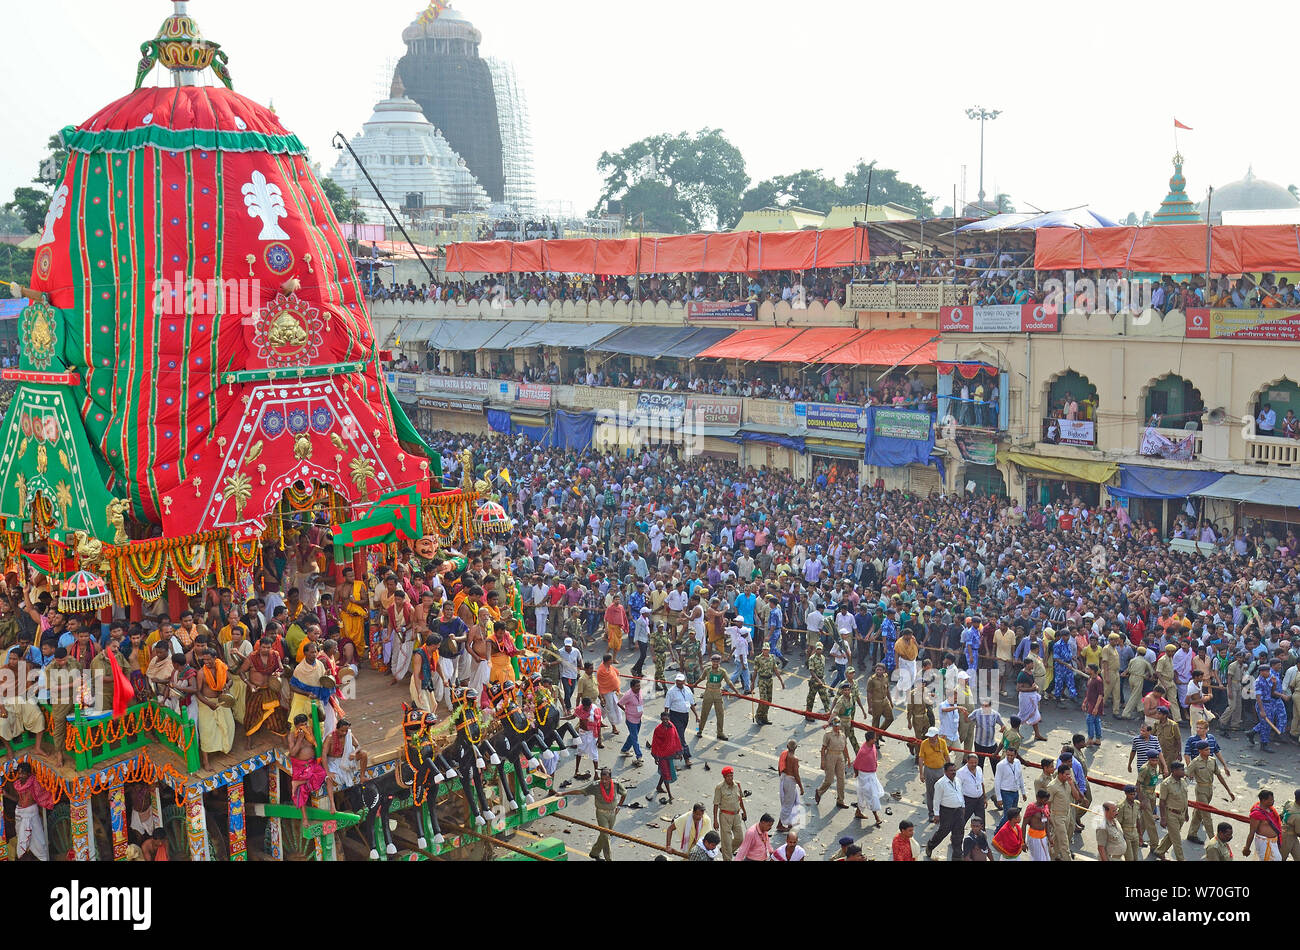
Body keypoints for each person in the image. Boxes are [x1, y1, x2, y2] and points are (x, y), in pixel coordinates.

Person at [1185, 739, 1234, 844]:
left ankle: (1191, 834)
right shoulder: (1195, 762)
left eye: (1209, 749)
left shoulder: (1212, 760)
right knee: (1207, 816)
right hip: (1201, 790)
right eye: (1206, 749)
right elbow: (1186, 774)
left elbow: (1219, 775)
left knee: (1198, 813)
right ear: (1200, 751)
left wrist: (1229, 791)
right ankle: (1215, 841)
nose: (1209, 751)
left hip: (1209, 790)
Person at [287, 713, 331, 825]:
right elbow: (292, 753)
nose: (304, 726)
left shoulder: (310, 731)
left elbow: (317, 744)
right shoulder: (293, 736)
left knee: (322, 773)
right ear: (297, 726)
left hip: (312, 764)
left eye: (306, 724)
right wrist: (300, 740)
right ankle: (305, 818)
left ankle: (301, 782)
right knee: (300, 791)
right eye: (302, 725)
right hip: (300, 766)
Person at [574, 767, 626, 861]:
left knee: (604, 835)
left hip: (613, 813)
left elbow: (624, 794)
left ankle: (594, 852)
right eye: (602, 779)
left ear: (610, 778)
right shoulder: (595, 786)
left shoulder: (616, 784)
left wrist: (619, 806)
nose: (604, 781)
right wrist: (563, 794)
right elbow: (581, 791)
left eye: (606, 779)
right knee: (606, 836)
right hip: (601, 813)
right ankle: (609, 859)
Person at [925, 761, 966, 861]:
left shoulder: (958, 780)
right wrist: (936, 814)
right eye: (951, 771)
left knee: (959, 833)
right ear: (945, 772)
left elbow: (960, 794)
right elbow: (936, 800)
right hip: (946, 812)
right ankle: (930, 845)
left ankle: (957, 856)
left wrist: (963, 807)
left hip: (959, 811)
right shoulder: (940, 783)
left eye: (954, 770)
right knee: (943, 831)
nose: (953, 772)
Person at [12, 761, 53, 860]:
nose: (20, 775)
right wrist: (6, 794)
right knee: (21, 839)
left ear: (29, 774)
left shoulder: (34, 783)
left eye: (23, 773)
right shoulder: (17, 784)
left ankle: (43, 858)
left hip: (30, 814)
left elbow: (41, 794)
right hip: (19, 813)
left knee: (39, 841)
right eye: (19, 773)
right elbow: (17, 799)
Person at [1153, 761, 1190, 861]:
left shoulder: (1183, 781)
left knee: (1173, 835)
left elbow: (1185, 799)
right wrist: (1163, 818)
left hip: (1181, 814)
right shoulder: (1166, 784)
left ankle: (1160, 851)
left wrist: (1186, 813)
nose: (1184, 772)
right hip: (1171, 815)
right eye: (1181, 770)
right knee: (1177, 841)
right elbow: (1162, 802)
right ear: (1174, 771)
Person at [695, 653, 735, 741]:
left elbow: (729, 682)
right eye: (714, 662)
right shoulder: (707, 670)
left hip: (717, 693)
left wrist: (736, 692)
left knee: (720, 714)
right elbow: (701, 678)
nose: (715, 663)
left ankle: (720, 733)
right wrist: (695, 684)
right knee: (704, 713)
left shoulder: (722, 671)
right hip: (708, 693)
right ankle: (699, 730)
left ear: (719, 662)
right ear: (711, 662)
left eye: (717, 662)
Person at [712, 765, 747, 861]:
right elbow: (715, 804)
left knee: (740, 838)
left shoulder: (738, 784)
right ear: (724, 777)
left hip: (736, 815)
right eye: (728, 776)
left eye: (732, 775)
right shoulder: (719, 787)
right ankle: (727, 856)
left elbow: (740, 800)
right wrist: (715, 820)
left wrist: (744, 812)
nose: (730, 778)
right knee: (726, 841)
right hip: (725, 816)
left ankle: (726, 850)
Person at [323, 718, 368, 792]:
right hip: (333, 761)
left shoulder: (349, 734)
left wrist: (354, 752)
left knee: (364, 754)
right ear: (337, 729)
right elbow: (324, 755)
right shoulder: (330, 738)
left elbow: (358, 746)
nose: (344, 733)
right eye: (342, 731)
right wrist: (328, 772)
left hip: (346, 758)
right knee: (330, 778)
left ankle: (362, 776)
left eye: (346, 731)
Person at [664, 673, 698, 768]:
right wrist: (666, 720)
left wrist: (696, 715)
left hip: (685, 716)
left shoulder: (687, 690)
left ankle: (671, 752)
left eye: (680, 681)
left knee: (677, 736)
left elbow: (691, 704)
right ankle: (687, 758)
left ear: (684, 681)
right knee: (681, 737)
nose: (679, 683)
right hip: (675, 716)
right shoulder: (671, 691)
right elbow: (667, 706)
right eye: (677, 681)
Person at [816, 719, 850, 809]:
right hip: (830, 756)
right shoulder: (828, 735)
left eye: (838, 725)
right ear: (832, 726)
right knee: (829, 779)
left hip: (840, 756)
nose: (837, 727)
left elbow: (845, 747)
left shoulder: (842, 735)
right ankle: (819, 792)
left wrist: (848, 758)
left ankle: (840, 800)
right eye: (835, 725)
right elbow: (823, 749)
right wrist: (822, 761)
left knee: (841, 779)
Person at [917, 726, 950, 821]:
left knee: (941, 792)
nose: (930, 738)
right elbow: (921, 758)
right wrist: (921, 773)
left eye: (932, 736)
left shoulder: (942, 742)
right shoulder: (924, 743)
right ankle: (931, 813)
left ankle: (940, 812)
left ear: (936, 736)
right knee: (930, 793)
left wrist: (949, 770)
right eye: (929, 736)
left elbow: (946, 756)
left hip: (941, 770)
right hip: (929, 771)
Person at [852, 730, 884, 826]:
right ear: (870, 740)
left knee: (863, 794)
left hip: (872, 774)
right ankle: (877, 818)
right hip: (864, 776)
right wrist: (857, 774)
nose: (875, 739)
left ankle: (858, 812)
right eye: (874, 738)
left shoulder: (872, 746)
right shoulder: (863, 751)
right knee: (872, 795)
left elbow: (875, 756)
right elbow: (855, 764)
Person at [650, 710, 683, 801]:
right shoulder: (658, 729)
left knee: (665, 772)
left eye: (666, 719)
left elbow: (676, 739)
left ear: (669, 718)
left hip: (670, 754)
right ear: (661, 719)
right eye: (663, 719)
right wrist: (656, 757)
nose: (665, 721)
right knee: (666, 774)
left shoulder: (672, 727)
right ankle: (669, 795)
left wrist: (679, 753)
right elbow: (655, 743)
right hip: (661, 755)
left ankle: (658, 786)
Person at [1244, 789, 1282, 862]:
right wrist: (1247, 848)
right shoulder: (1256, 814)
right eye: (1271, 800)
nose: (1273, 801)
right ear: (1264, 800)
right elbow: (1252, 832)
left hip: (1273, 842)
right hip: (1264, 843)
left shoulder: (1270, 810)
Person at [752, 642, 784, 725]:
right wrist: (752, 683)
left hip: (770, 680)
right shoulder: (758, 658)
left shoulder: (772, 658)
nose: (766, 651)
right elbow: (755, 671)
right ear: (762, 649)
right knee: (763, 700)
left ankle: (764, 717)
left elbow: (775, 670)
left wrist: (781, 681)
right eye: (764, 649)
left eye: (767, 650)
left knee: (769, 700)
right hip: (762, 680)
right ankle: (758, 716)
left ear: (769, 650)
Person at [776, 739, 803, 833]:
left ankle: (790, 822)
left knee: (793, 801)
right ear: (796, 747)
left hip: (785, 779)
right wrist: (801, 787)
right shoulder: (794, 759)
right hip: (790, 782)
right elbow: (796, 774)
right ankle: (780, 824)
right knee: (788, 804)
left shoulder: (784, 754)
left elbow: (779, 767)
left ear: (787, 747)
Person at [617, 677, 644, 766]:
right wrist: (626, 711)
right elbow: (619, 703)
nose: (639, 688)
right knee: (635, 738)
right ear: (632, 687)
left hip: (638, 719)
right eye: (637, 687)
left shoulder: (639, 692)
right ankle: (639, 756)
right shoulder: (628, 695)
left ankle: (624, 750)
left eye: (639, 686)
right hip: (631, 720)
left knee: (633, 736)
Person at [1022, 789, 1052, 861]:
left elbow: (1046, 822)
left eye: (1047, 800)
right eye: (1045, 800)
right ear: (1038, 798)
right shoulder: (1031, 808)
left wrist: (1049, 837)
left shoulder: (1045, 807)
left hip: (1043, 837)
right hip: (1034, 838)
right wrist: (1023, 842)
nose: (1046, 802)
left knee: (1045, 858)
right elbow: (1023, 825)